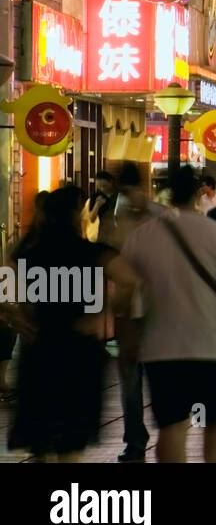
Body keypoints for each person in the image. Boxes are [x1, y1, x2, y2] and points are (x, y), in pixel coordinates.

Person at [122, 167, 216, 463]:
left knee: (172, 427)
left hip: (163, 350)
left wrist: (129, 340)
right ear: (200, 194)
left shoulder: (142, 237)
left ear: (168, 194)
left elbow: (124, 295)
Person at [4, 186, 139, 462]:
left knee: (40, 442)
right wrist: (105, 311)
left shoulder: (28, 253)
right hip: (79, 353)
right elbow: (131, 280)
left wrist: (16, 318)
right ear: (73, 216)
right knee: (70, 444)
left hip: (39, 351)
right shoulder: (90, 253)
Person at [109, 162, 166, 462]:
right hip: (155, 309)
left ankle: (136, 442)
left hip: (136, 309)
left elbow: (119, 258)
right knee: (150, 377)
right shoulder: (161, 213)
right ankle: (154, 436)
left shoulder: (122, 213)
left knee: (132, 380)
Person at [85, 171, 119, 243]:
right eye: (99, 187)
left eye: (104, 186)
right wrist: (97, 205)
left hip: (119, 232)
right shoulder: (96, 196)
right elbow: (92, 219)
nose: (102, 189)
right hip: (103, 234)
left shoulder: (119, 195)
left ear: (111, 182)